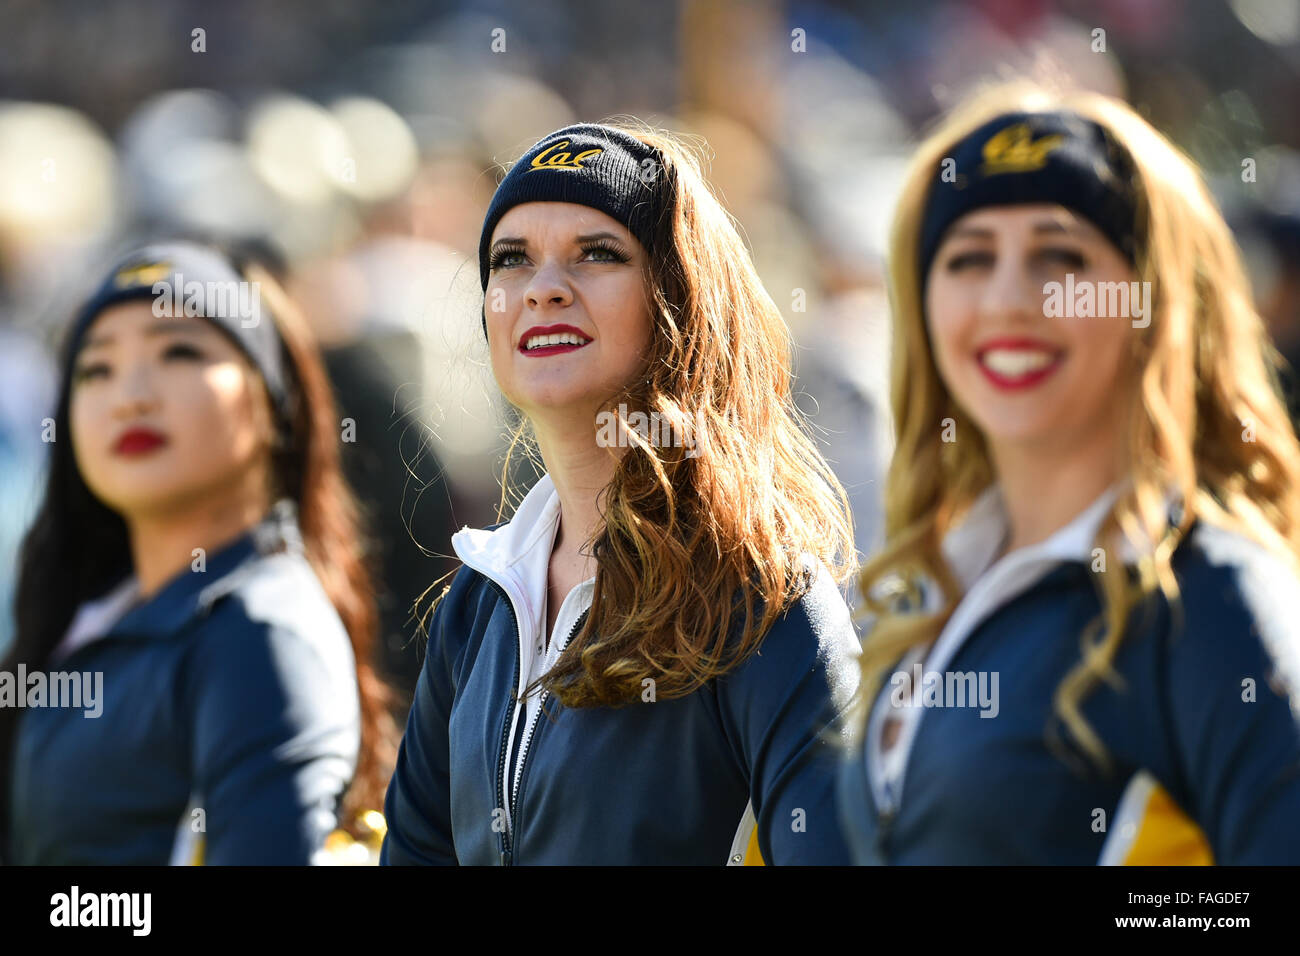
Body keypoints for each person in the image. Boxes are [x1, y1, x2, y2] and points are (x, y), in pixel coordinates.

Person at [836, 81, 1300, 865]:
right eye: (969, 258)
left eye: (1061, 257)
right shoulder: (927, 590)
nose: (1009, 300)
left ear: (1152, 300)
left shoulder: (1211, 596)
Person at [381, 122, 860, 865]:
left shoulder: (762, 601)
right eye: (511, 260)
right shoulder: (477, 604)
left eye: (596, 253)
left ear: (679, 302)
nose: (542, 288)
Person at [0, 241, 394, 864]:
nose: (130, 394)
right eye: (95, 369)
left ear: (273, 404)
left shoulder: (258, 630)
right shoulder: (89, 616)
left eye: (178, 352)